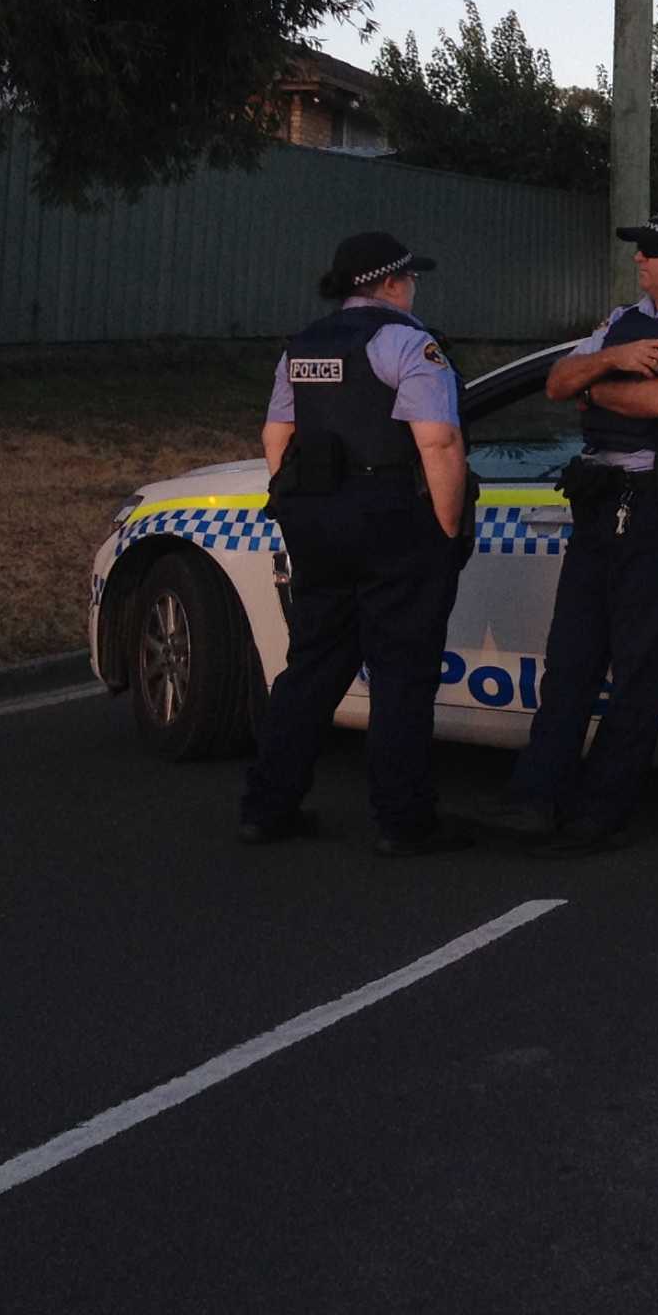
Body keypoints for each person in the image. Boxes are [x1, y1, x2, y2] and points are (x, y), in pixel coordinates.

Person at [505, 202, 658, 856]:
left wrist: (595, 391)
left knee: (639, 671)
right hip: (598, 502)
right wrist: (615, 358)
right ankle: (534, 799)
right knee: (571, 661)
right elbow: (556, 381)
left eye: (653, 248)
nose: (639, 257)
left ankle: (600, 812)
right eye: (639, 247)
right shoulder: (620, 323)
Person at [240, 229, 476, 856]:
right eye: (411, 278)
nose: (414, 288)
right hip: (392, 519)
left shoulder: (302, 345)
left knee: (312, 667)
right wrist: (446, 529)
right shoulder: (408, 343)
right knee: (401, 675)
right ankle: (404, 821)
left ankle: (267, 806)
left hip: (317, 522)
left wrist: (299, 508)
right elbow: (438, 442)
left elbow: (276, 438)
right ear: (391, 282)